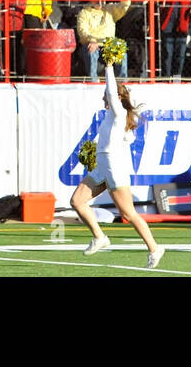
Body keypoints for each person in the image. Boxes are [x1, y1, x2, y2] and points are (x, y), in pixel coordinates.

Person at [70, 65, 164, 267]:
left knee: (128, 214)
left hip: (114, 168)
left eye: (106, 96)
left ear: (117, 98)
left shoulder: (118, 112)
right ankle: (99, 237)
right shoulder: (112, 118)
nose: (104, 99)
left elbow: (112, 92)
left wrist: (108, 67)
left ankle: (155, 248)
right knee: (77, 201)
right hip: (103, 167)